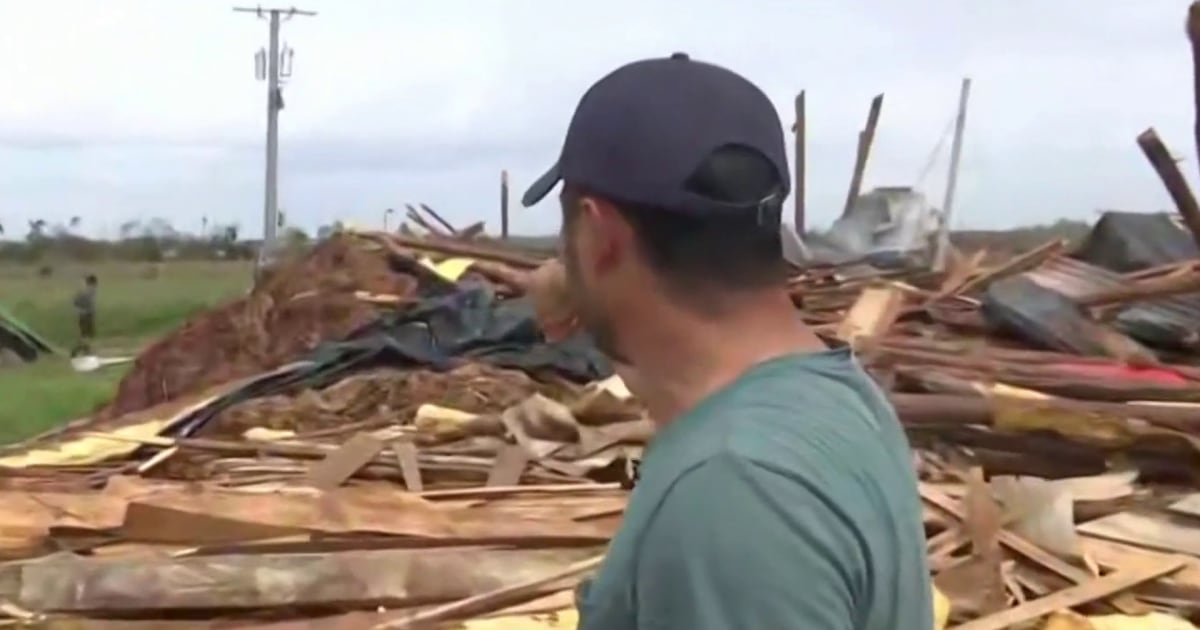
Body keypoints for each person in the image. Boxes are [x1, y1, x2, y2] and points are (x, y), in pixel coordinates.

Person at [521, 53, 932, 629]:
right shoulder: (835, 395)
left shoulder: (732, 489)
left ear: (598, 232)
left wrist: (593, 274)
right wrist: (587, 278)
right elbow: (673, 368)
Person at [71, 274, 98, 357]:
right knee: (86, 334)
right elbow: (77, 302)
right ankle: (80, 350)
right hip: (86, 315)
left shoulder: (86, 291)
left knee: (86, 334)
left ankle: (85, 349)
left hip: (86, 315)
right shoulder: (88, 292)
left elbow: (75, 302)